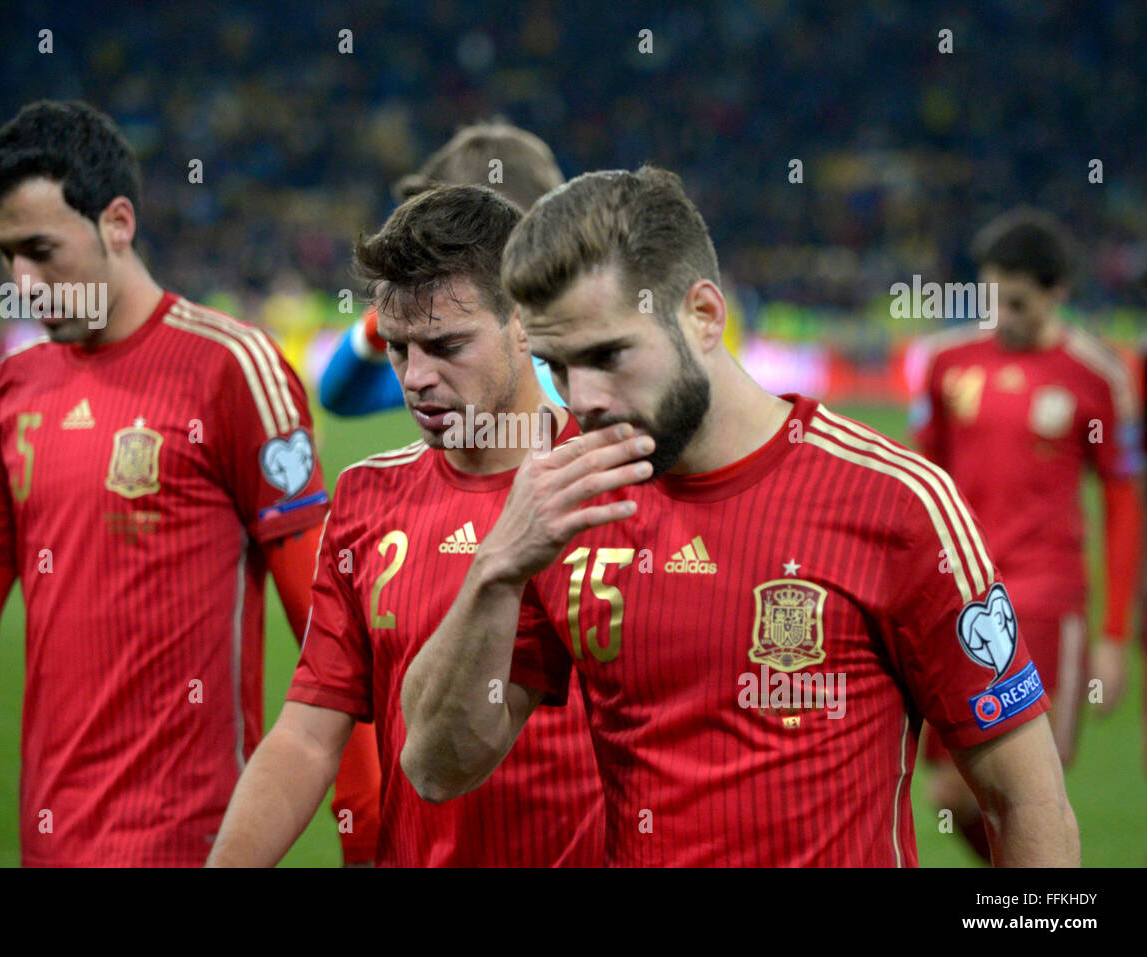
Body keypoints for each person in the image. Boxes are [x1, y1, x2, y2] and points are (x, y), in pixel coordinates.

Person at [399, 167, 1080, 866]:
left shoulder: (898, 502)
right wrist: (494, 570)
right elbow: (435, 768)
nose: (586, 397)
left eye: (609, 354)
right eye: (558, 367)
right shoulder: (567, 502)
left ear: (702, 315)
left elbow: (1025, 800)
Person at [0, 100, 379, 866]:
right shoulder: (13, 388)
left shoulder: (234, 369)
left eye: (41, 249)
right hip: (51, 842)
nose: (22, 283)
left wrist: (365, 825)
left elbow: (330, 629)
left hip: (198, 842)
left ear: (118, 222)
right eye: (5, 257)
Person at [207, 185, 603, 866]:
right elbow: (307, 735)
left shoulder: (615, 488)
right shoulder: (366, 499)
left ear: (525, 323)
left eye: (447, 345)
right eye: (398, 348)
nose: (416, 378)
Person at [912, 207, 1143, 860]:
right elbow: (919, 482)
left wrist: (1114, 636)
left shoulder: (1097, 376)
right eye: (991, 298)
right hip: (958, 598)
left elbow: (1124, 506)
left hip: (1043, 602)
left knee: (1015, 795)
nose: (1001, 315)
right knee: (947, 793)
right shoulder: (946, 362)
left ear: (1057, 293)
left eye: (1017, 302)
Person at [318, 121, 565, 416]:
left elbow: (340, 398)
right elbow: (340, 398)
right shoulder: (458, 348)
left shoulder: (565, 377)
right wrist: (383, 318)